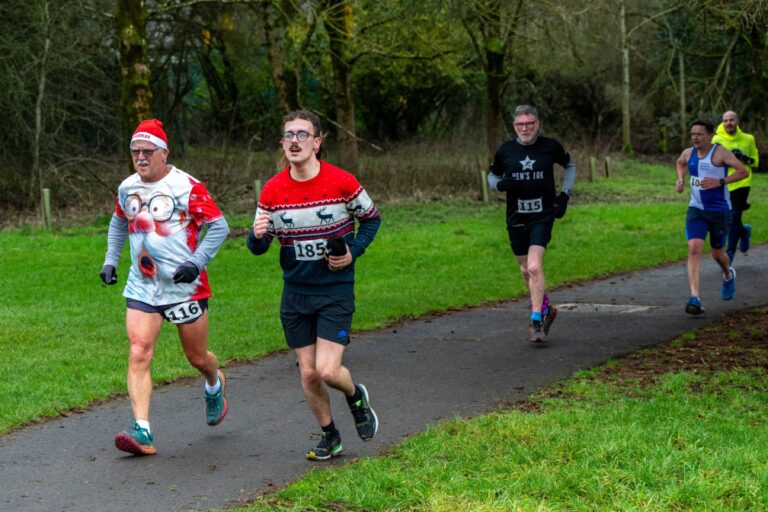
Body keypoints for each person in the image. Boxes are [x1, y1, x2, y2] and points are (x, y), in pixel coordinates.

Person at [247, 109, 381, 461]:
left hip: (334, 290)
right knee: (308, 374)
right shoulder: (273, 190)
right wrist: (256, 235)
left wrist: (352, 251)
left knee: (327, 370)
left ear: (317, 143)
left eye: (302, 134)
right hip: (295, 293)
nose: (294, 140)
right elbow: (259, 246)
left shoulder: (342, 182)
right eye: (288, 135)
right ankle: (330, 435)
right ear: (282, 143)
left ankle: (355, 396)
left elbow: (371, 219)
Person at [99, 119, 230, 455]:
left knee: (197, 357)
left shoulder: (187, 186)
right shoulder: (127, 187)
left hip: (185, 288)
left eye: (148, 151)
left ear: (164, 152)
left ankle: (214, 383)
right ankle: (142, 431)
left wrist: (195, 263)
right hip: (142, 287)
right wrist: (110, 260)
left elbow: (218, 227)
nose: (141, 157)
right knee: (139, 350)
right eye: (135, 151)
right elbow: (118, 222)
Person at [487, 105, 576, 343]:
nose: (525, 128)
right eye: (520, 125)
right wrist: (500, 185)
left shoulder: (550, 147)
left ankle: (536, 319)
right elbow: (491, 176)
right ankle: (545, 306)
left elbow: (570, 165)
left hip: (543, 215)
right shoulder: (506, 150)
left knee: (535, 267)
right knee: (525, 269)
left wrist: (564, 195)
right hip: (516, 218)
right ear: (514, 126)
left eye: (529, 124)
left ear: (538, 124)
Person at [675, 119, 748, 315]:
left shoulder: (720, 153)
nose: (695, 138)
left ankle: (727, 274)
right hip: (696, 209)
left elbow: (743, 171)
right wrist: (681, 179)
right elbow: (680, 163)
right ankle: (695, 298)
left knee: (717, 254)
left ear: (709, 135)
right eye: (692, 134)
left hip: (719, 212)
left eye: (699, 134)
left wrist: (720, 181)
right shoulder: (688, 153)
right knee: (694, 247)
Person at [711, 110, 759, 263]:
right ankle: (744, 233)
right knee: (730, 218)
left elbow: (755, 162)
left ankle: (730, 253)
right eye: (725, 120)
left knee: (733, 216)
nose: (728, 123)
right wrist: (728, 159)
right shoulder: (716, 139)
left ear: (737, 121)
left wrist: (744, 158)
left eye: (731, 120)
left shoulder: (748, 139)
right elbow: (711, 161)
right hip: (723, 183)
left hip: (742, 182)